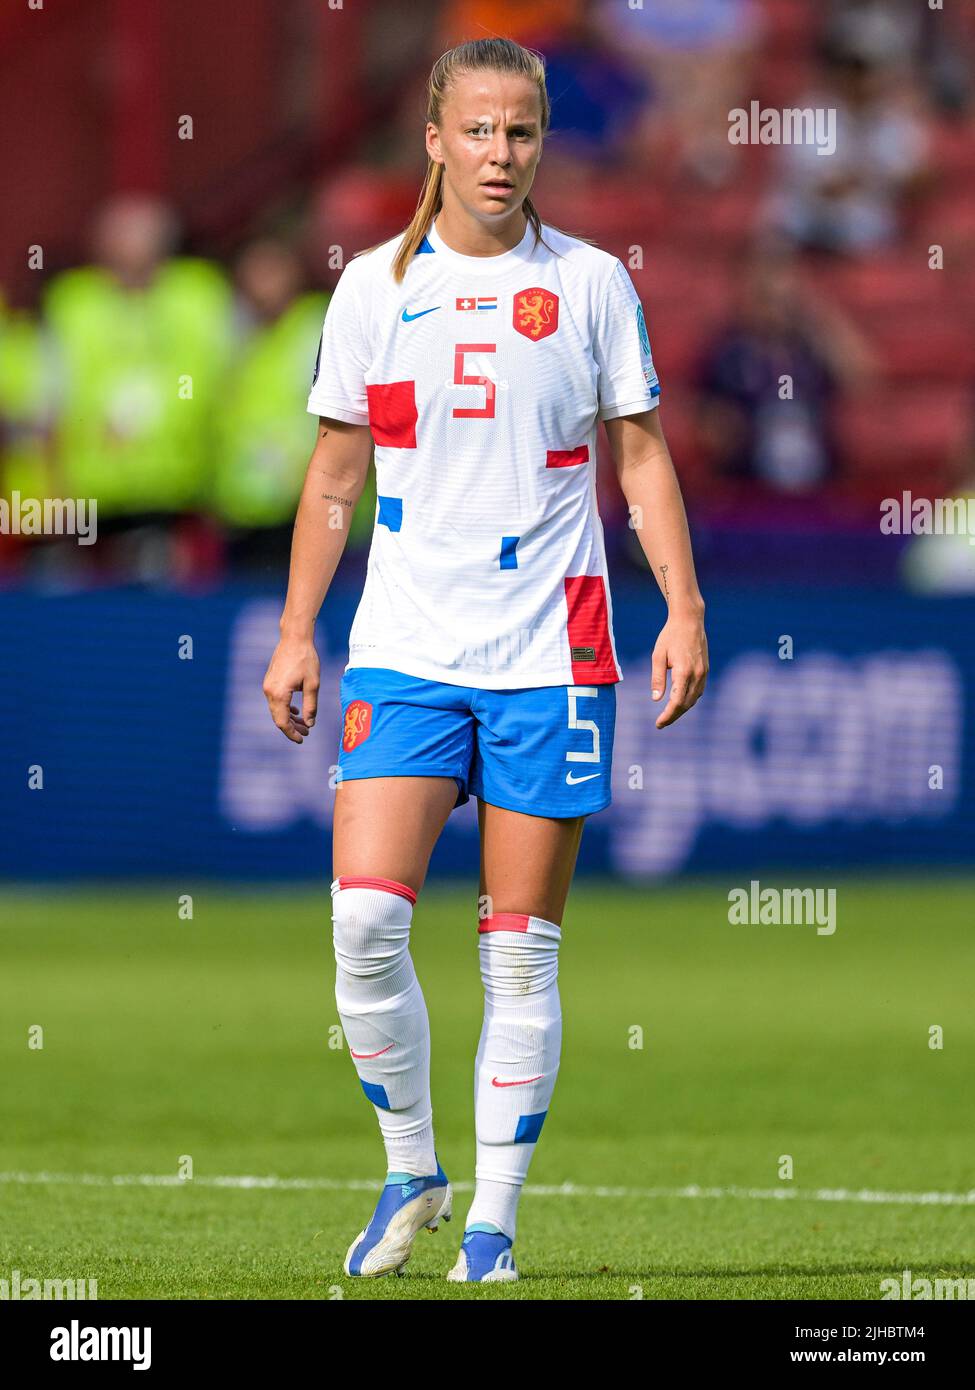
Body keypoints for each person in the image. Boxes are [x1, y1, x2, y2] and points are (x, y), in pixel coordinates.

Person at [262, 37, 708, 1284]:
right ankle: (412, 1164)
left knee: (517, 950)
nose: (500, 155)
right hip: (404, 646)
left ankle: (495, 1231)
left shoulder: (592, 285)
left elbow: (640, 458)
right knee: (361, 924)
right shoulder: (370, 290)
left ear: (541, 142)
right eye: (479, 131)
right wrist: (299, 628)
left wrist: (681, 604)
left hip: (552, 652)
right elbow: (336, 475)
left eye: (522, 133)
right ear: (435, 139)